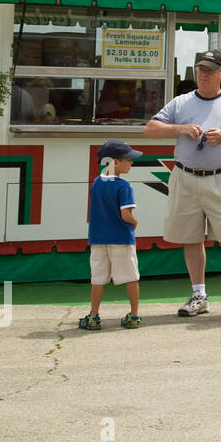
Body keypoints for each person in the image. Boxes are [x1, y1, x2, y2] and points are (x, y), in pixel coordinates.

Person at [144, 50, 221, 320]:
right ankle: (199, 295)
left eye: (210, 70)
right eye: (200, 69)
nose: (203, 74)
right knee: (191, 238)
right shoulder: (181, 102)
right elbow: (150, 129)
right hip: (185, 177)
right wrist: (180, 128)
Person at [79, 141, 143, 330]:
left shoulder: (97, 183)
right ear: (115, 161)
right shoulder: (124, 186)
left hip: (98, 239)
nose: (131, 163)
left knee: (97, 278)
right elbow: (126, 215)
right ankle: (133, 315)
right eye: (128, 160)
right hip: (122, 238)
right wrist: (135, 222)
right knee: (131, 277)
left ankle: (93, 316)